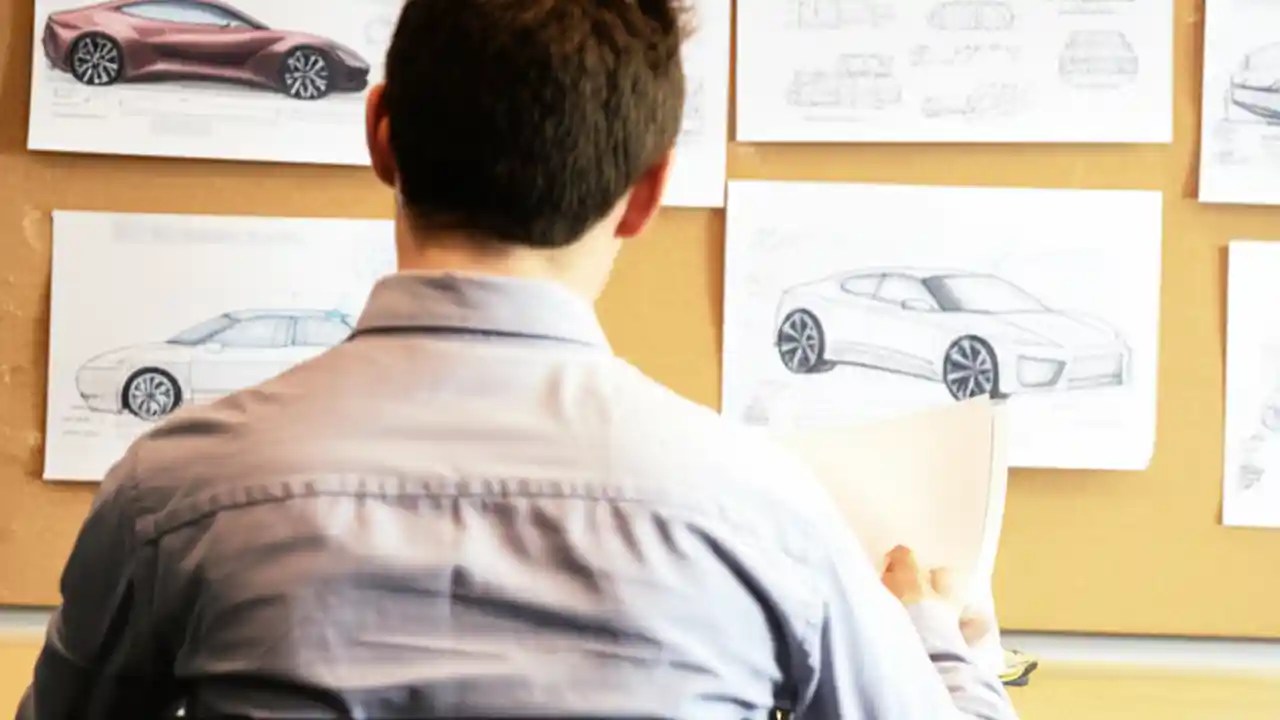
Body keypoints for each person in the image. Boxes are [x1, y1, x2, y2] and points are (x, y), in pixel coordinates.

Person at [16, 0, 1017, 718]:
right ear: (646, 192)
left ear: (379, 136)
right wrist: (941, 641)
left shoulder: (176, 487)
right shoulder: (766, 514)